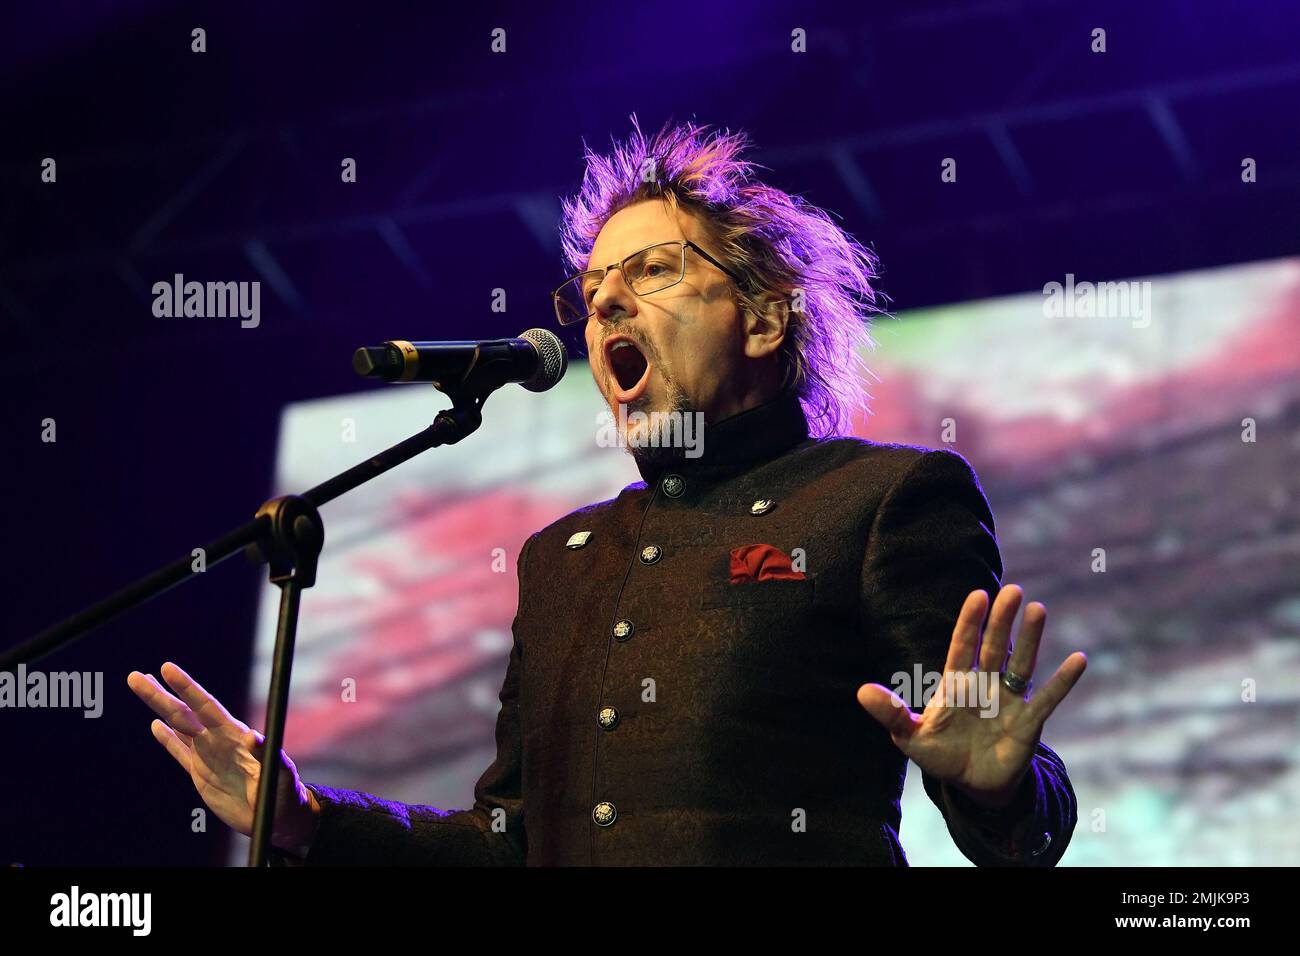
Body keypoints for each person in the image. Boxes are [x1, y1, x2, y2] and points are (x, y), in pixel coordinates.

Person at [128, 117, 1087, 865]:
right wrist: (306, 823)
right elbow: (507, 844)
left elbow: (996, 782)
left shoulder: (883, 498)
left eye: (652, 272)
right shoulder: (560, 560)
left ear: (762, 318)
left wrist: (1000, 790)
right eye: (590, 290)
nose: (606, 304)